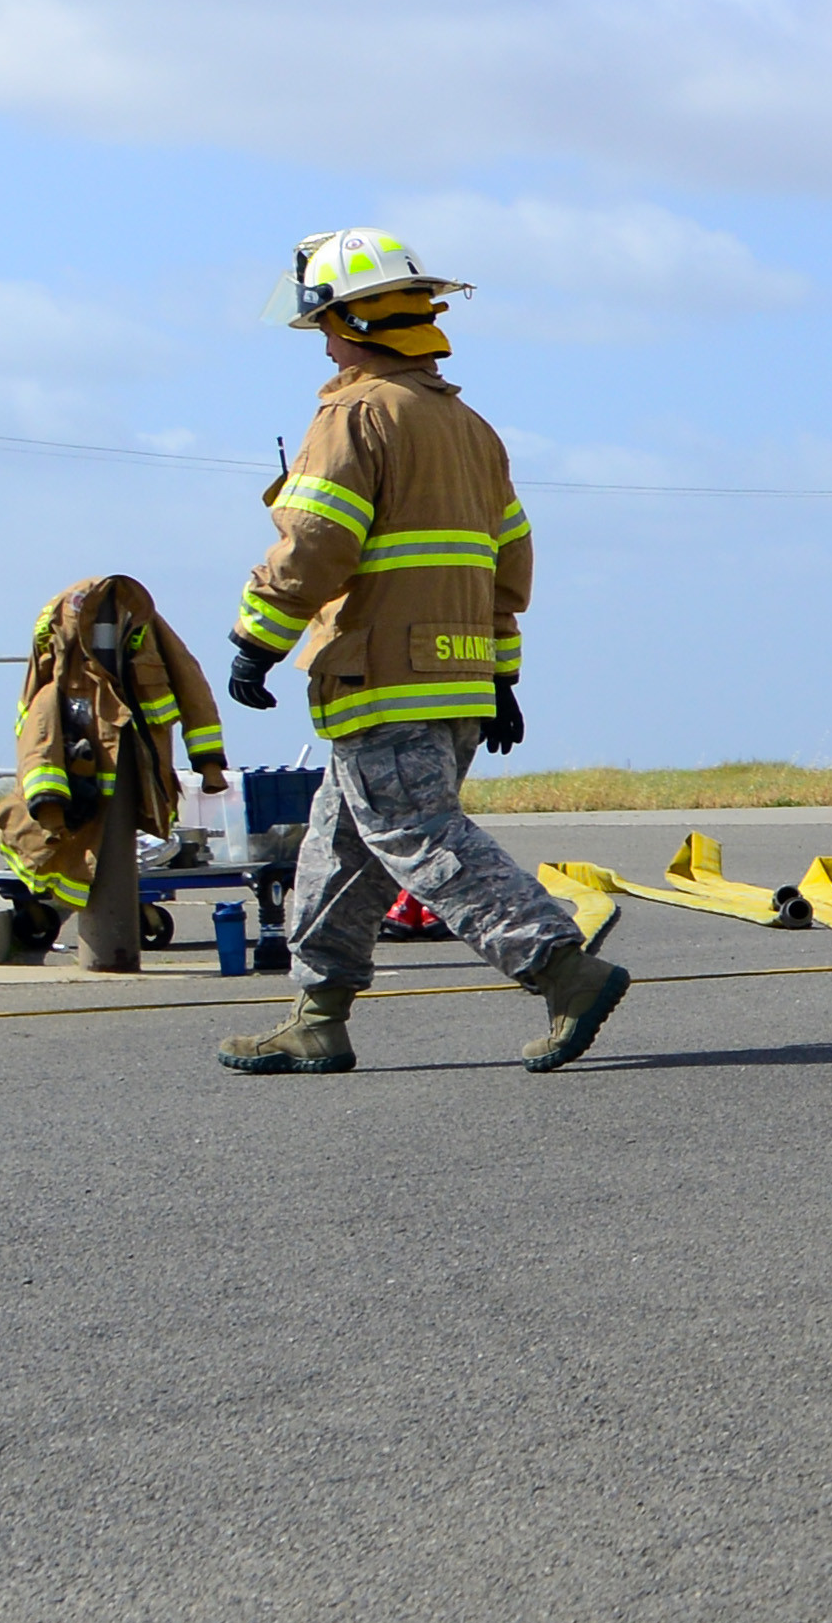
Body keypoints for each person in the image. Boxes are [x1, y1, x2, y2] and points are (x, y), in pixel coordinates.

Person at [215, 229, 627, 1075]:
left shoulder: (355, 413)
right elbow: (505, 559)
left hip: (382, 677)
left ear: (358, 325)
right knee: (339, 852)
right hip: (459, 676)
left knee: (419, 837)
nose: (322, 343)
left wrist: (257, 637)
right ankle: (317, 1018)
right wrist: (501, 671)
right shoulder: (468, 426)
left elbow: (314, 544)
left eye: (325, 325)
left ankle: (563, 967)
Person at [0, 572, 228, 971]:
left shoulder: (148, 628)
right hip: (80, 778)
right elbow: (35, 724)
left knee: (98, 856)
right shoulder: (56, 647)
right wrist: (48, 805)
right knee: (75, 851)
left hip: (138, 771)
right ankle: (81, 927)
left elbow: (194, 693)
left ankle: (87, 927)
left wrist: (209, 764)